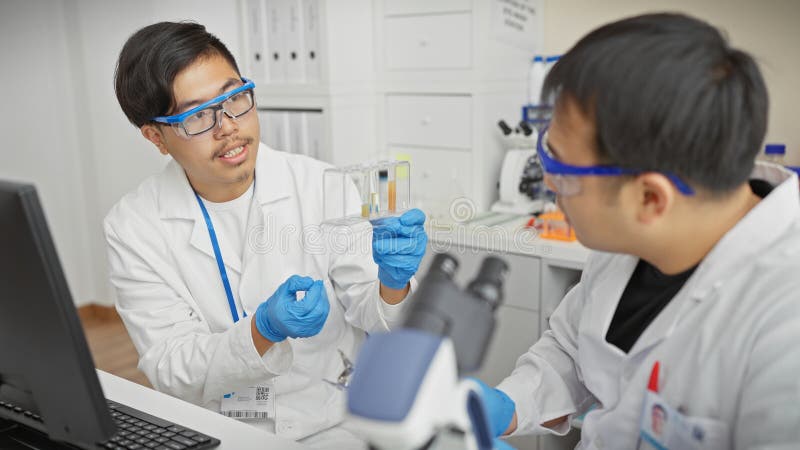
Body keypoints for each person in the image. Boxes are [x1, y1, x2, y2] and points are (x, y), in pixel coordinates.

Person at [475, 12, 800, 449]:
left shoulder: (785, 325)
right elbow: (573, 348)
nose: (548, 182)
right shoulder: (628, 238)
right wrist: (509, 404)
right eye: (547, 150)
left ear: (650, 198)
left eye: (562, 169)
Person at [105, 21, 427, 448]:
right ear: (156, 137)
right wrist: (262, 329)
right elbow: (171, 368)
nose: (227, 126)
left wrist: (393, 284)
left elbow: (380, 320)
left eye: (234, 98)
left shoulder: (319, 184)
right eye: (197, 114)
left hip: (335, 420)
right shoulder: (134, 226)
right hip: (223, 428)